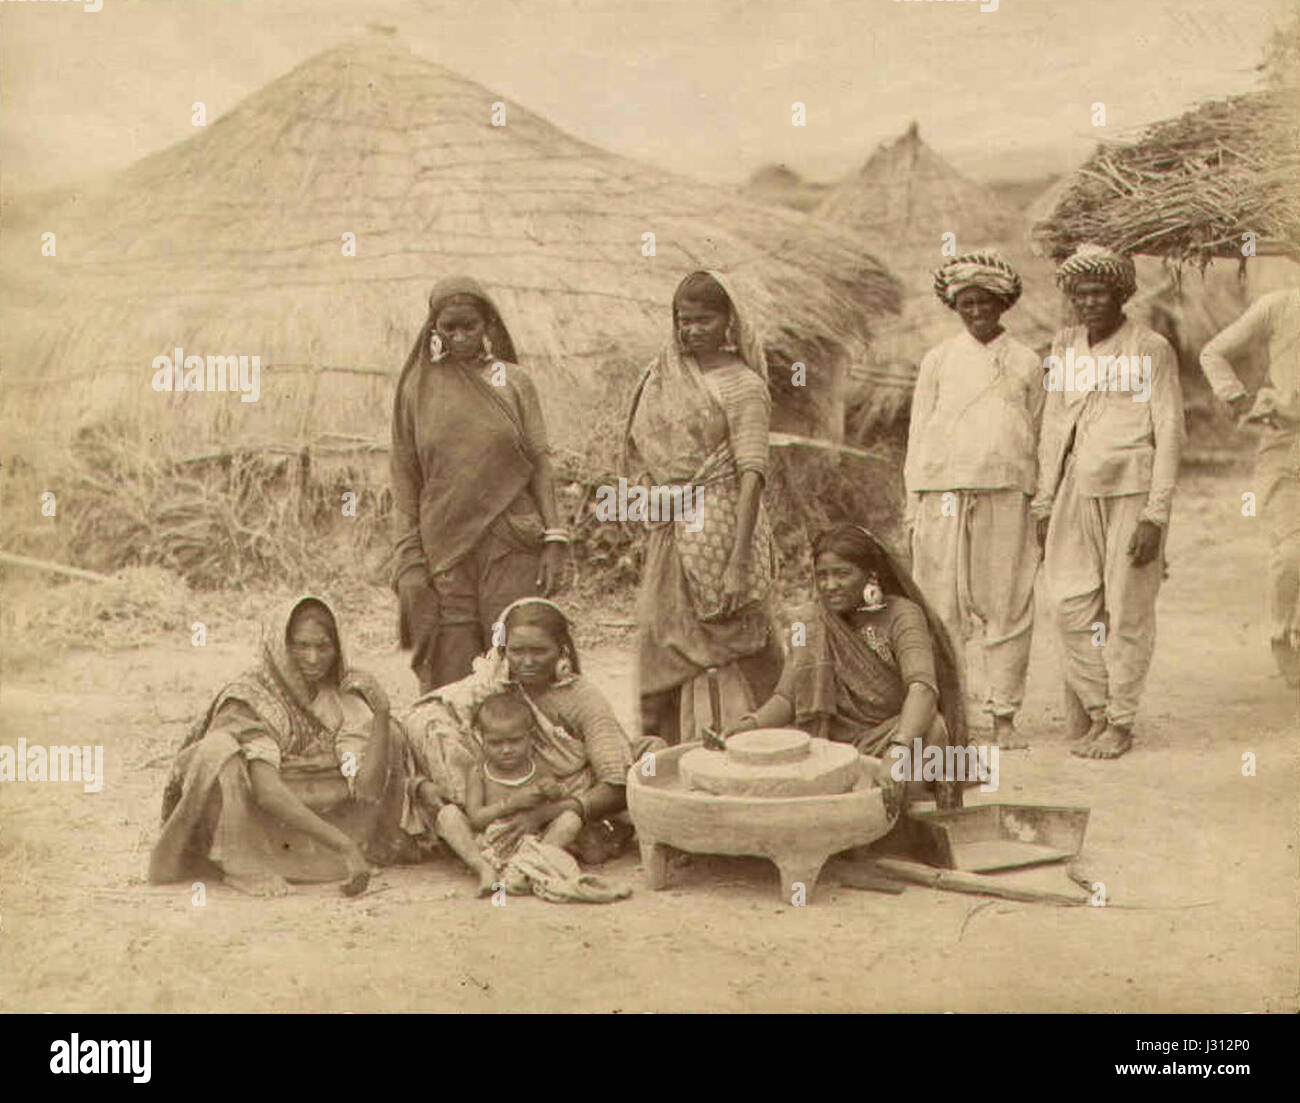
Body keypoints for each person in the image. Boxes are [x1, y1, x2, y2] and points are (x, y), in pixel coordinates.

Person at [150, 596, 436, 897]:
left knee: (388, 735)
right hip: (249, 803)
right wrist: (343, 845)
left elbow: (366, 790)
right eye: (301, 646)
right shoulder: (250, 697)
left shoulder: (339, 694)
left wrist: (381, 711)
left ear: (338, 649)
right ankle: (242, 865)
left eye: (323, 647)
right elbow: (266, 790)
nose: (313, 658)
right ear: (281, 646)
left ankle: (320, 855)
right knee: (219, 751)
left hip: (302, 804)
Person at [1033, 244, 1186, 759]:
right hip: (1075, 489)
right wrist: (1044, 500)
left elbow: (1170, 430)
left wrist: (1155, 515)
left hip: (1131, 490)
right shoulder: (1066, 346)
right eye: (1080, 293)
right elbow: (1054, 425)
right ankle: (1099, 708)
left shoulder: (1150, 349)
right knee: (1069, 605)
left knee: (1128, 610)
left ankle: (1120, 722)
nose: (1089, 302)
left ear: (1121, 294)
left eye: (1099, 292)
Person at [625, 270, 783, 744]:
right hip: (671, 527)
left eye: (703, 320)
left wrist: (738, 561)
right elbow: (640, 448)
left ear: (728, 321)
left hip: (723, 527)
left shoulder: (744, 385)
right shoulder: (663, 375)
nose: (692, 330)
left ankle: (762, 739)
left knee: (739, 636)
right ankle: (670, 748)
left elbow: (752, 472)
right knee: (663, 638)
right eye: (684, 320)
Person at [391, 276, 568, 695]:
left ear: (488, 323)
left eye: (469, 326)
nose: (460, 336)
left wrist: (555, 538)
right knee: (452, 674)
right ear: (434, 328)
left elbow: (540, 462)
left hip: (512, 539)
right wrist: (409, 559)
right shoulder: (417, 389)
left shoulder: (514, 382)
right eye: (449, 327)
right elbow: (404, 477)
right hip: (445, 548)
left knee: (517, 660)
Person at [724, 524, 970, 809]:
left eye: (842, 574)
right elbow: (787, 698)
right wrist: (749, 726)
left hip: (890, 737)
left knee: (934, 729)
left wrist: (899, 747)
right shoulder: (810, 622)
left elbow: (922, 689)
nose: (830, 585)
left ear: (871, 576)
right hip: (829, 746)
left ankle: (904, 819)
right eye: (822, 575)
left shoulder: (901, 615)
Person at [906, 250, 1044, 749]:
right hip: (941, 493)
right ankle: (952, 715)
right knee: (940, 606)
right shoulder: (938, 360)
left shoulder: (1027, 361)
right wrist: (912, 503)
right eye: (967, 303)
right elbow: (918, 433)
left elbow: (1040, 432)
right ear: (955, 306)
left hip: (1006, 493)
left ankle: (1004, 714)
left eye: (986, 301)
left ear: (1003, 303)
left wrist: (1040, 500)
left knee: (1007, 604)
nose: (977, 311)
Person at [405, 597, 658, 866]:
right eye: (517, 651)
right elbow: (430, 713)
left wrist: (542, 814)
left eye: (539, 651)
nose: (527, 662)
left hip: (565, 792)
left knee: (652, 756)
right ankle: (498, 835)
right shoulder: (492, 684)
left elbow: (615, 783)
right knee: (431, 723)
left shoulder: (583, 698)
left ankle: (547, 837)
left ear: (562, 651)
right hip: (501, 790)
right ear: (504, 651)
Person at [1199, 288, 1300, 687]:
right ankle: (1281, 634)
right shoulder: (1280, 306)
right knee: (1293, 551)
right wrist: (1237, 398)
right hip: (1285, 444)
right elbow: (1213, 352)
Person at [436, 692, 580, 895]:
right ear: (481, 739)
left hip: (531, 843)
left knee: (571, 819)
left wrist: (554, 791)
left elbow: (556, 803)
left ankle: (523, 868)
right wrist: (511, 803)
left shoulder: (539, 767)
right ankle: (483, 869)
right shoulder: (479, 772)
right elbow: (476, 818)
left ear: (530, 737)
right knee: (448, 815)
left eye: (515, 741)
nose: (506, 750)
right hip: (488, 845)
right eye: (495, 743)